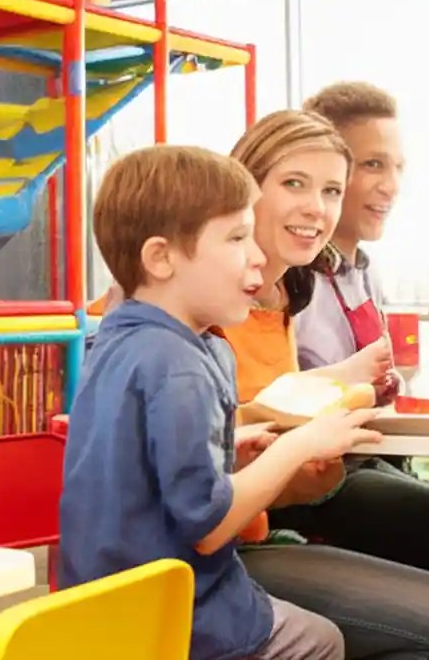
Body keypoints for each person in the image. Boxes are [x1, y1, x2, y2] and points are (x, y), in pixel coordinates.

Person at [60, 143, 378, 660]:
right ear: (160, 258)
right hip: (181, 619)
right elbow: (207, 528)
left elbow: (137, 466)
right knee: (321, 642)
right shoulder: (180, 362)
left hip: (100, 606)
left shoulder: (122, 336)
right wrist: (301, 447)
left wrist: (228, 448)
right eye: (236, 238)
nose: (256, 256)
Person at [217, 109, 429, 660]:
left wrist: (318, 421)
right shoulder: (202, 300)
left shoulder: (285, 292)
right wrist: (314, 419)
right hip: (226, 546)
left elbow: (270, 439)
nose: (318, 208)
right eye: (295, 183)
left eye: (331, 190)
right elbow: (204, 468)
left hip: (265, 519)